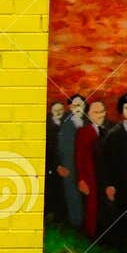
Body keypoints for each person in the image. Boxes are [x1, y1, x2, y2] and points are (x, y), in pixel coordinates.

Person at [100, 93, 127, 253]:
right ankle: (125, 251)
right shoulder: (114, 134)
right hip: (122, 185)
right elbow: (106, 163)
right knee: (124, 217)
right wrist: (109, 184)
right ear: (121, 111)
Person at [73, 100, 106, 241]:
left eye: (101, 111)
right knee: (92, 207)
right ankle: (92, 236)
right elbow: (79, 157)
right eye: (95, 112)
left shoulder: (108, 129)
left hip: (104, 176)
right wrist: (81, 179)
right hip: (90, 177)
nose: (99, 115)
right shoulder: (83, 132)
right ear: (89, 114)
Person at [55, 94, 86, 229]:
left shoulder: (89, 121)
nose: (78, 108)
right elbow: (59, 147)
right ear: (70, 107)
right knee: (73, 195)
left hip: (86, 165)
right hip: (70, 166)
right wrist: (60, 165)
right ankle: (76, 224)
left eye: (80, 105)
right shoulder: (65, 124)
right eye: (75, 105)